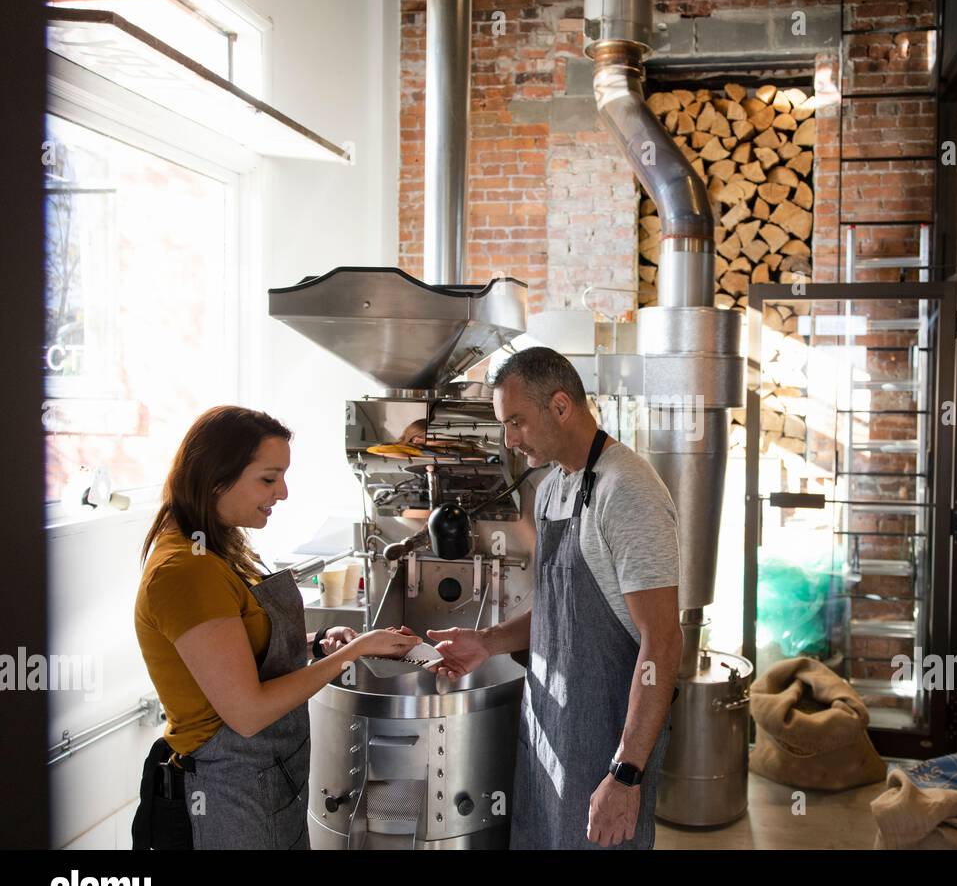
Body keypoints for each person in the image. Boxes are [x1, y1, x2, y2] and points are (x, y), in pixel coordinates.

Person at [426, 347, 683, 849]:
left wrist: (626, 774)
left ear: (561, 406)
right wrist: (487, 641)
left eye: (517, 421)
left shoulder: (626, 490)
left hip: (607, 743)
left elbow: (663, 642)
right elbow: (554, 610)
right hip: (549, 726)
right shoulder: (550, 489)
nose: (509, 439)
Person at [132, 406, 420, 849]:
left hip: (263, 784)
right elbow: (247, 712)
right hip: (225, 796)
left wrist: (319, 645)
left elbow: (241, 659)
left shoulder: (215, 553)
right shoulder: (186, 571)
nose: (282, 492)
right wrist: (353, 652)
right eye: (268, 478)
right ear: (214, 478)